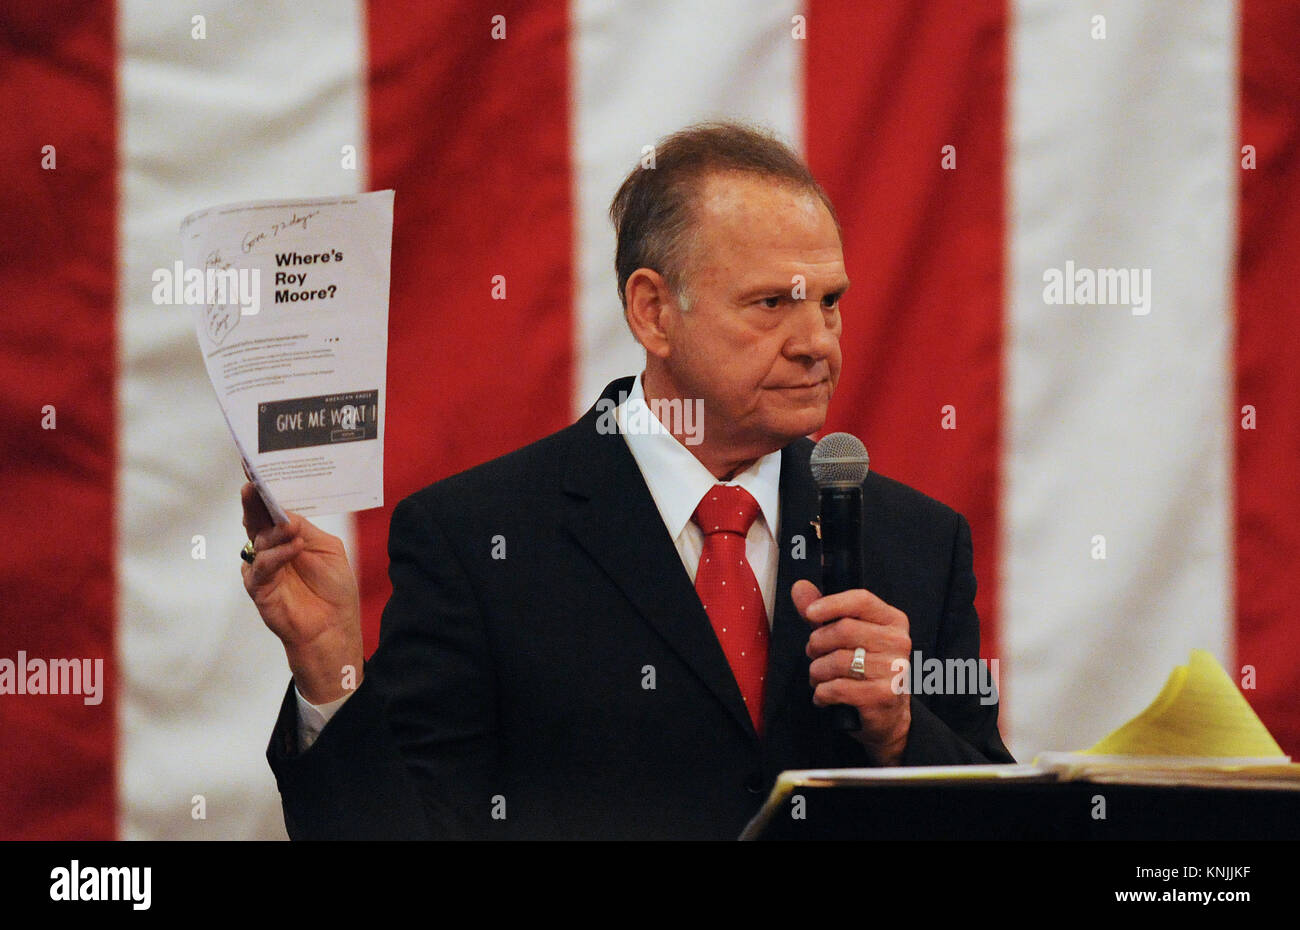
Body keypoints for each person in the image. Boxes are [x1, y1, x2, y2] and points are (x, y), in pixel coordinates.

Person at [240, 121, 1014, 840]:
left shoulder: (918, 541)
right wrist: (330, 670)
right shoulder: (479, 541)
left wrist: (906, 731)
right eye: (772, 303)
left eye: (831, 302)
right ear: (653, 312)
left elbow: (1003, 824)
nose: (818, 344)